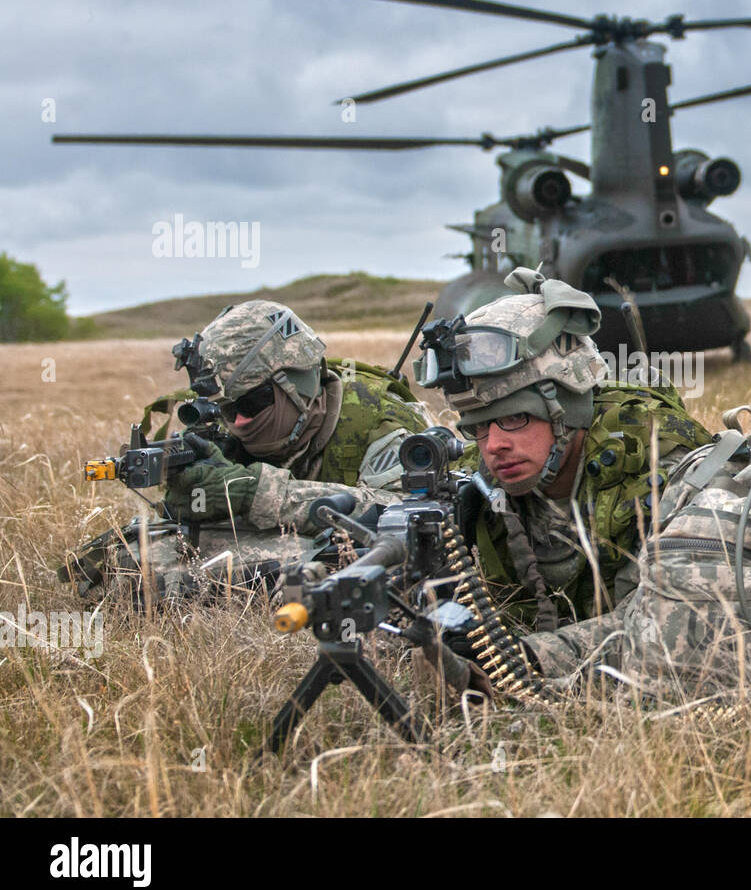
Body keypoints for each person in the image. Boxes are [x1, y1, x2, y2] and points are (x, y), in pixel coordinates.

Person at [62, 299, 432, 604]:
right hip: (275, 546)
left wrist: (252, 490)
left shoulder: (378, 421)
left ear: (297, 385)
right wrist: (196, 496)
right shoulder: (228, 431)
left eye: (252, 402)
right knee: (125, 561)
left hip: (354, 553)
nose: (237, 421)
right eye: (224, 409)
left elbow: (416, 518)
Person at [423, 268, 714, 637]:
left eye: (515, 417)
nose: (493, 445)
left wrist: (533, 655)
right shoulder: (479, 479)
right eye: (478, 427)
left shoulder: (659, 463)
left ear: (568, 410)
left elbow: (663, 627)